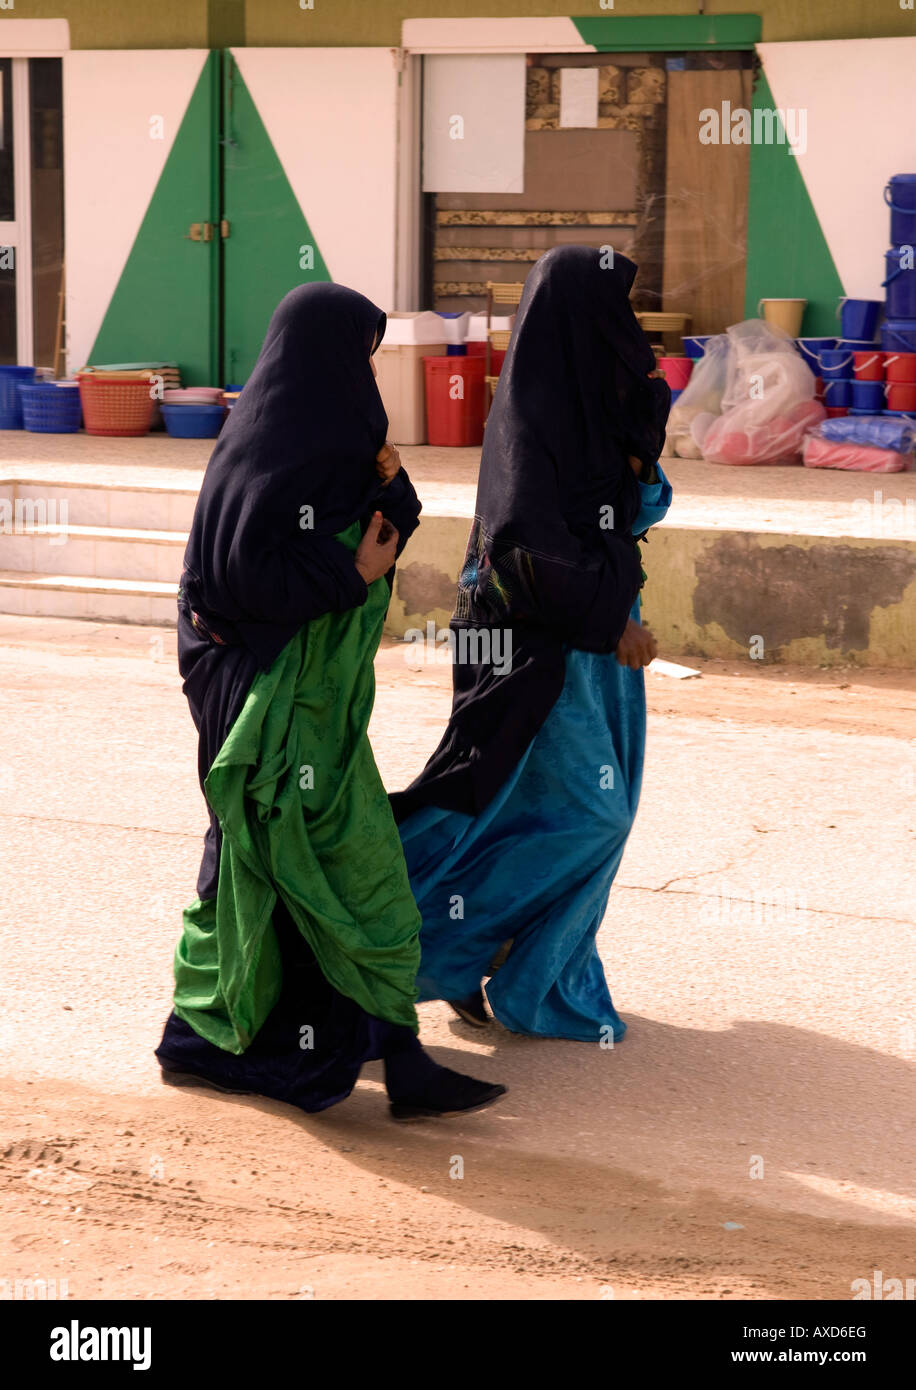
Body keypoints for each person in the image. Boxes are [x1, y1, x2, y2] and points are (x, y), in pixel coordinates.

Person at [155, 282, 506, 1121]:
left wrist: (390, 483)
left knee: (318, 869)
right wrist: (347, 575)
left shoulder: (337, 444)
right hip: (261, 705)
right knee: (321, 866)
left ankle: (375, 1051)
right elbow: (242, 583)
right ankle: (216, 1042)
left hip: (318, 713)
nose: (370, 375)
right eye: (363, 356)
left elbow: (391, 522)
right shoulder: (264, 458)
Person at [389, 245, 673, 1042]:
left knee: (540, 810)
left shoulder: (607, 402)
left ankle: (521, 964)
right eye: (619, 307)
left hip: (592, 632)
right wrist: (608, 620)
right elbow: (527, 549)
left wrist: (640, 456)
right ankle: (426, 949)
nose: (631, 324)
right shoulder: (538, 413)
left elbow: (644, 508)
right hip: (541, 642)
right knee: (589, 816)